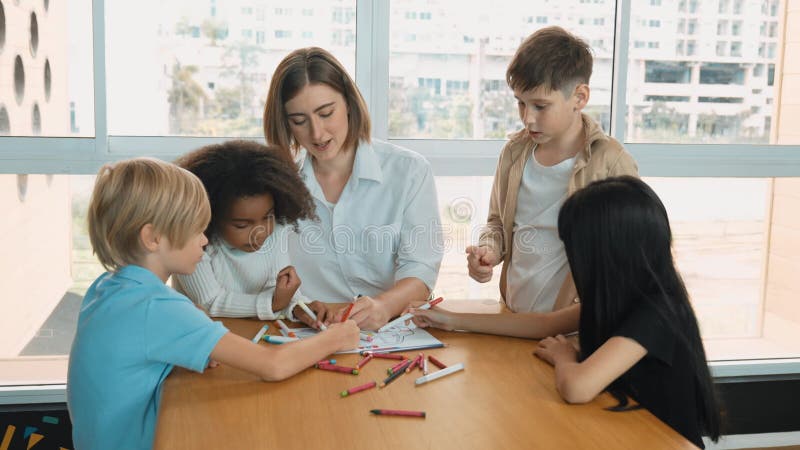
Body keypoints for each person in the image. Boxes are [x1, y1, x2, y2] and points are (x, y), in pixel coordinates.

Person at [67, 158, 359, 450]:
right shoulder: (157, 307)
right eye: (196, 229)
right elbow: (273, 365)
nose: (205, 240)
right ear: (153, 238)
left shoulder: (106, 287)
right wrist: (336, 338)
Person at [412, 26, 638, 338]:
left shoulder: (611, 162)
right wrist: (489, 252)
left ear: (580, 97)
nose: (527, 118)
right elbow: (497, 222)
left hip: (574, 331)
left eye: (540, 106)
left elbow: (630, 263)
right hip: (513, 316)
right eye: (520, 103)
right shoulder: (515, 153)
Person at [263, 47, 443, 330]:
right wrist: (298, 307)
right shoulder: (276, 185)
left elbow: (421, 269)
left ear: (348, 102)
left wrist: (384, 305)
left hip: (387, 331)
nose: (317, 133)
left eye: (326, 113)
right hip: (309, 336)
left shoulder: (408, 171)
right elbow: (265, 273)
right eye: (299, 121)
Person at [534, 176, 721, 448]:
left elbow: (578, 388)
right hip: (626, 434)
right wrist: (452, 318)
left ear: (607, 255)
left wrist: (564, 358)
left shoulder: (658, 312)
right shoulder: (624, 297)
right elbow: (543, 324)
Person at [173, 140, 329, 327]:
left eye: (268, 217)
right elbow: (210, 301)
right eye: (241, 225)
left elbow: (275, 290)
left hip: (252, 336)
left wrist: (299, 307)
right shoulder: (193, 244)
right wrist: (273, 303)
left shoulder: (276, 232)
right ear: (211, 218)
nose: (259, 233)